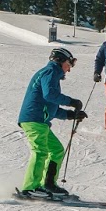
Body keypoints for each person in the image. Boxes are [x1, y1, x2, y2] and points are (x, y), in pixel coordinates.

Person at [16, 46, 87, 199]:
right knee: (40, 151)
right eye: (69, 64)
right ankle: (30, 188)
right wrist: (71, 101)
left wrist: (70, 114)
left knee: (57, 150)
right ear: (60, 60)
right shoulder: (51, 71)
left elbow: (51, 106)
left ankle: (48, 183)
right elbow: (50, 95)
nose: (69, 69)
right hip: (34, 119)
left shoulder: (51, 73)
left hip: (40, 121)